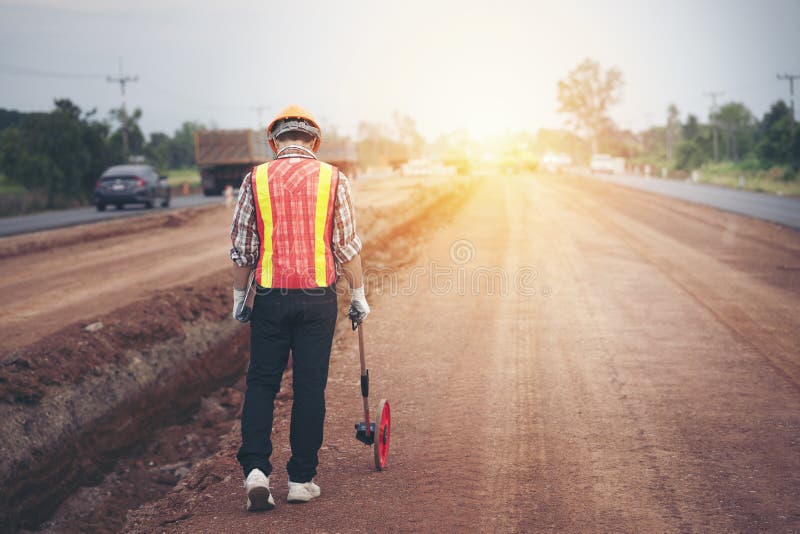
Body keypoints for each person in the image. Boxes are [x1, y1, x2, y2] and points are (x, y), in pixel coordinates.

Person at [229, 105, 370, 511]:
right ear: (315, 142)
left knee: (261, 384)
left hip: (271, 298)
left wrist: (242, 298)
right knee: (309, 388)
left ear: (275, 141)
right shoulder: (333, 178)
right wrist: (358, 295)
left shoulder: (254, 178)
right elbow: (346, 246)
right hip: (317, 299)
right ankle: (300, 479)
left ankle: (256, 471)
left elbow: (243, 250)